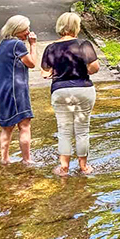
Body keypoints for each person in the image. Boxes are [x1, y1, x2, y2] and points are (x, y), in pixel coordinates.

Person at [41, 12, 99, 176]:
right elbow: (95, 67)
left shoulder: (51, 48)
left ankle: (64, 168)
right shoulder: (84, 44)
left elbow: (45, 73)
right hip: (84, 89)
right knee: (82, 130)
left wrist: (55, 71)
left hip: (61, 90)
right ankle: (84, 167)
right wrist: (83, 70)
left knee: (64, 130)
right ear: (76, 27)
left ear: (60, 26)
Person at [0, 15, 37, 165]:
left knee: (7, 128)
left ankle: (5, 159)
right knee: (24, 125)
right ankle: (27, 160)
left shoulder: (3, 44)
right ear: (17, 30)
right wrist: (33, 44)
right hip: (16, 90)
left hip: (1, 90)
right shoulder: (17, 45)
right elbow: (31, 63)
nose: (28, 32)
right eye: (26, 29)